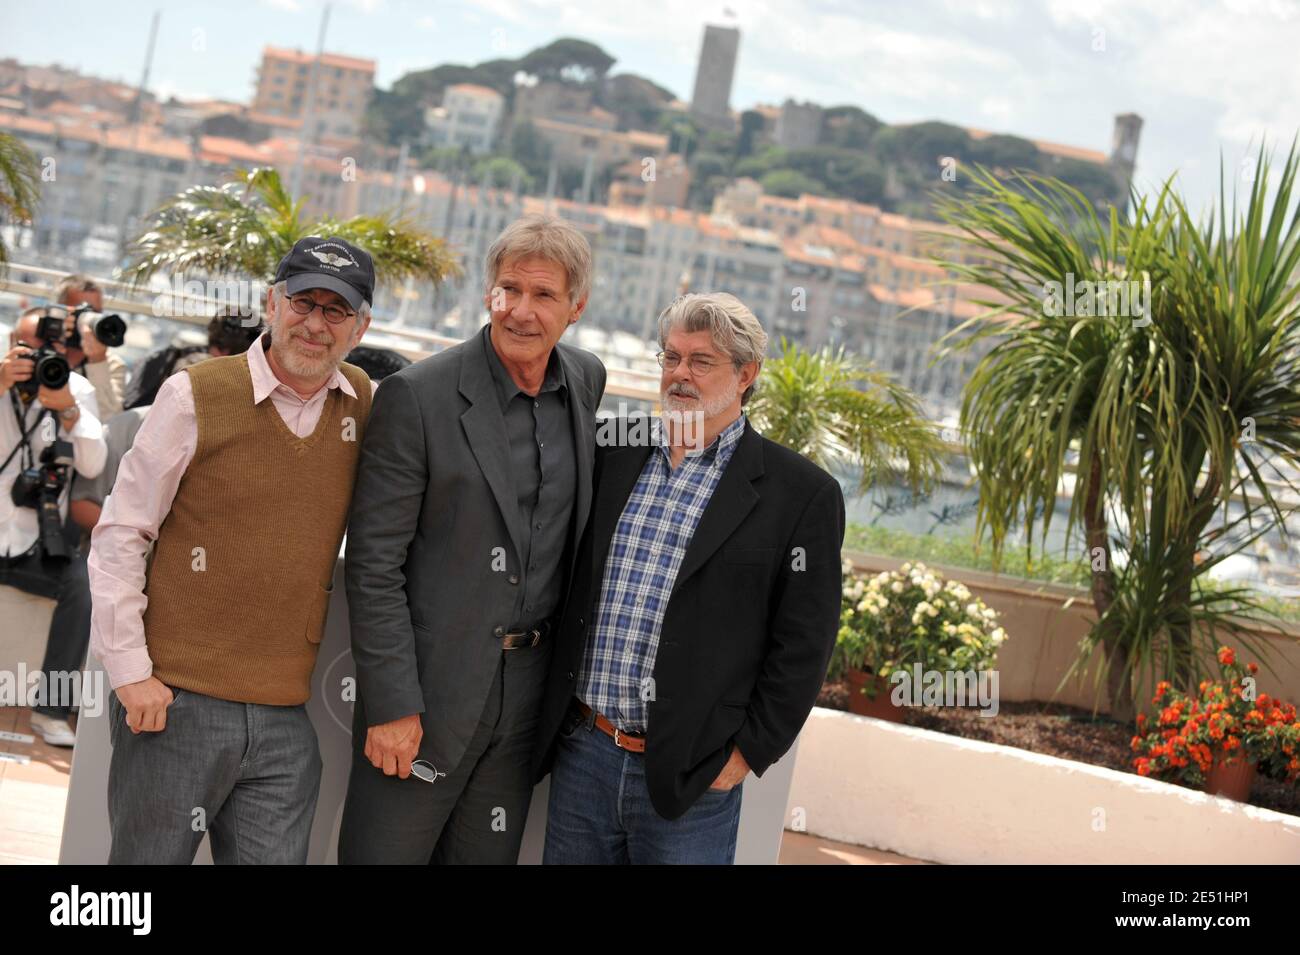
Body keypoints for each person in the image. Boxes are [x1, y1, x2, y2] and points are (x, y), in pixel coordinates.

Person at [88, 236, 377, 864]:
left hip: (284, 720)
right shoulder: (195, 393)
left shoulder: (366, 406)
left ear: (360, 326)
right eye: (304, 302)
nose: (315, 323)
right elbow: (121, 532)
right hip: (175, 704)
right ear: (273, 302)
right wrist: (132, 675)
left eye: (336, 310)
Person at [533, 292, 846, 864]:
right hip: (585, 753)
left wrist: (747, 755)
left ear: (746, 375)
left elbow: (804, 645)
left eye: (701, 361)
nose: (679, 374)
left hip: (693, 774)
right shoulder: (610, 450)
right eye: (670, 357)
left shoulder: (800, 495)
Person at [340, 214, 607, 864]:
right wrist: (393, 704)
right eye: (508, 288)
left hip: (526, 708)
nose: (519, 310)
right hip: (425, 704)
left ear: (577, 307)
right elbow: (375, 565)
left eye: (543, 295)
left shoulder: (584, 382)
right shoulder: (417, 397)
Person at [0, 307, 107, 746]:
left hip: (38, 544)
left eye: (48, 347)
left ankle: (51, 709)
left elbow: (93, 462)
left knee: (84, 586)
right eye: (26, 347)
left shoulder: (75, 387)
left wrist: (69, 414)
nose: (38, 355)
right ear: (10, 346)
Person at [54, 274, 128, 420]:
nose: (91, 318)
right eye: (83, 311)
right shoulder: (43, 349)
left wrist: (98, 361)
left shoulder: (113, 364)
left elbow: (109, 421)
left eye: (97, 313)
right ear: (61, 311)